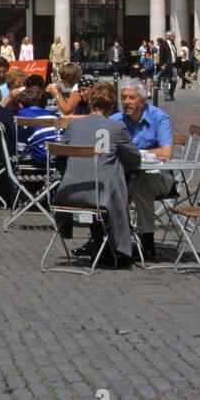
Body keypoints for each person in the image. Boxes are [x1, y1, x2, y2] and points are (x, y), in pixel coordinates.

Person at [60, 81, 142, 267]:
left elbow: (58, 156)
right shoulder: (116, 127)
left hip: (69, 192)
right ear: (112, 106)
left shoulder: (74, 126)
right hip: (102, 195)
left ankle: (99, 242)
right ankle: (118, 247)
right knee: (113, 177)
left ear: (90, 102)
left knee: (102, 176)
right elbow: (134, 159)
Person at [114, 82, 174, 262]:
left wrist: (135, 154)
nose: (127, 102)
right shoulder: (115, 120)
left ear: (143, 101)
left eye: (132, 98)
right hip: (125, 178)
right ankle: (111, 239)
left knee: (144, 183)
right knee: (111, 185)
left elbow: (166, 152)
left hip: (159, 177)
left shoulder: (158, 117)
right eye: (124, 97)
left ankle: (147, 239)